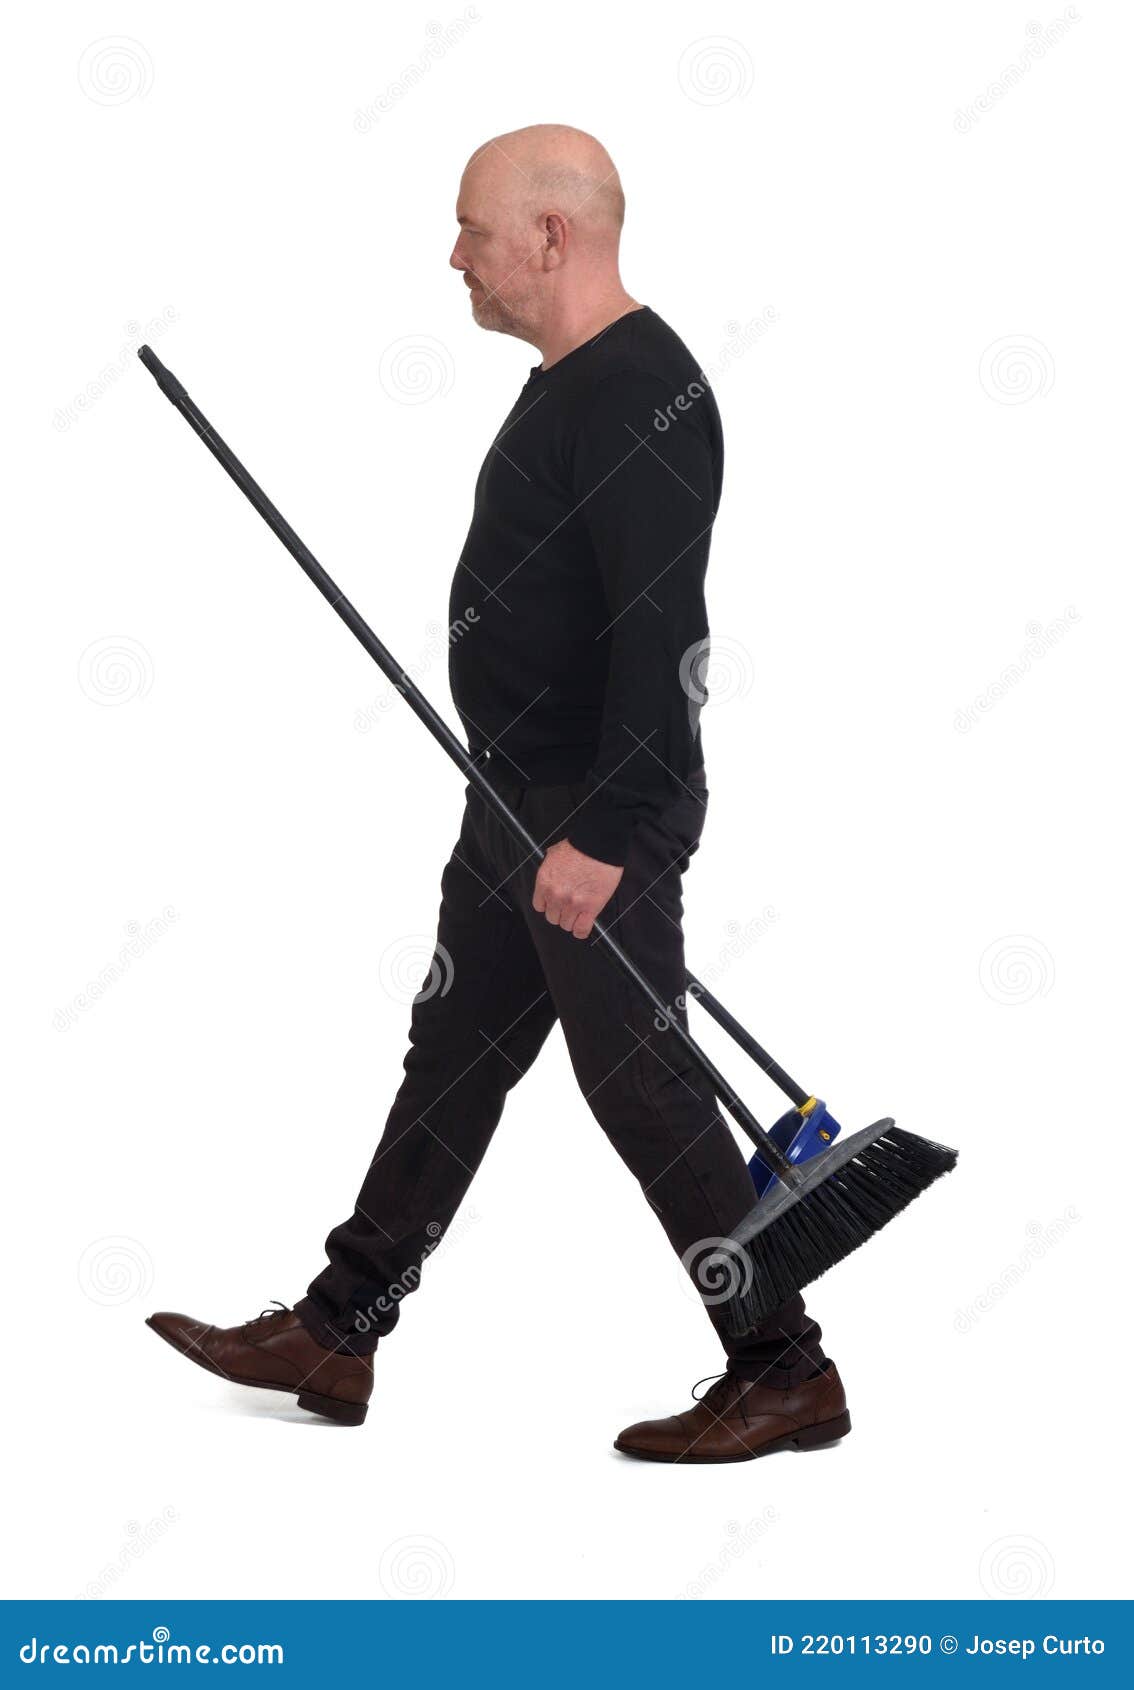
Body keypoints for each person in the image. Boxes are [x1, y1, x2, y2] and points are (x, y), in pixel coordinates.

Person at [147, 124, 849, 1461]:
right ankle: (339, 1325)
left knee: (642, 1084)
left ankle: (781, 1363)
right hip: (515, 797)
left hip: (595, 810)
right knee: (454, 1052)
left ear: (551, 234)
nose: (452, 254)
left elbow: (661, 636)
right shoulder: (567, 383)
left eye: (471, 227)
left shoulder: (641, 389)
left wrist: (597, 830)